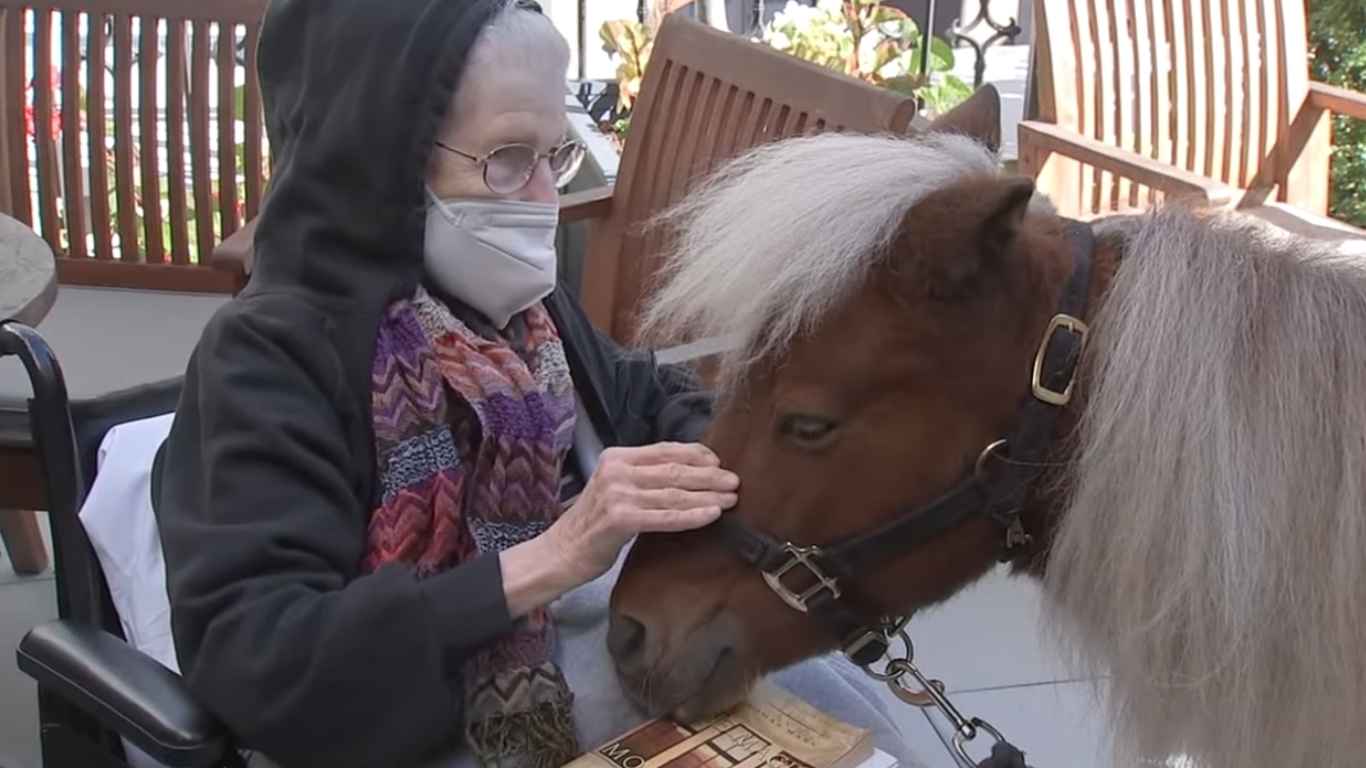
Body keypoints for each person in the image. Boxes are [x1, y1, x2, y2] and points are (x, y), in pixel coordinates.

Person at [153, 1, 917, 767]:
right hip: (408, 723)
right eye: (509, 160)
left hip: (571, 652)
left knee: (845, 713)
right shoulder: (269, 355)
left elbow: (644, 396)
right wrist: (550, 557)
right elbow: (261, 661)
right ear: (383, 162)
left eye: (557, 155)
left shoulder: (519, 312)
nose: (546, 199)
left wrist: (705, 463)